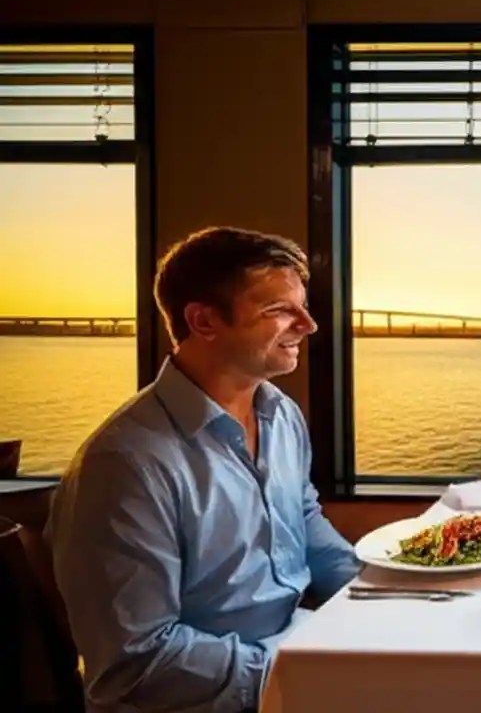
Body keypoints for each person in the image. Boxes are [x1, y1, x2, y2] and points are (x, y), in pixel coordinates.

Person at [45, 226, 362, 712]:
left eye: (302, 306)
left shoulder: (281, 415)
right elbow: (138, 661)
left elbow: (304, 524)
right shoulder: (125, 465)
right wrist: (294, 670)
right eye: (278, 310)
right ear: (204, 321)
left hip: (293, 656)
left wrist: (381, 593)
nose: (308, 324)